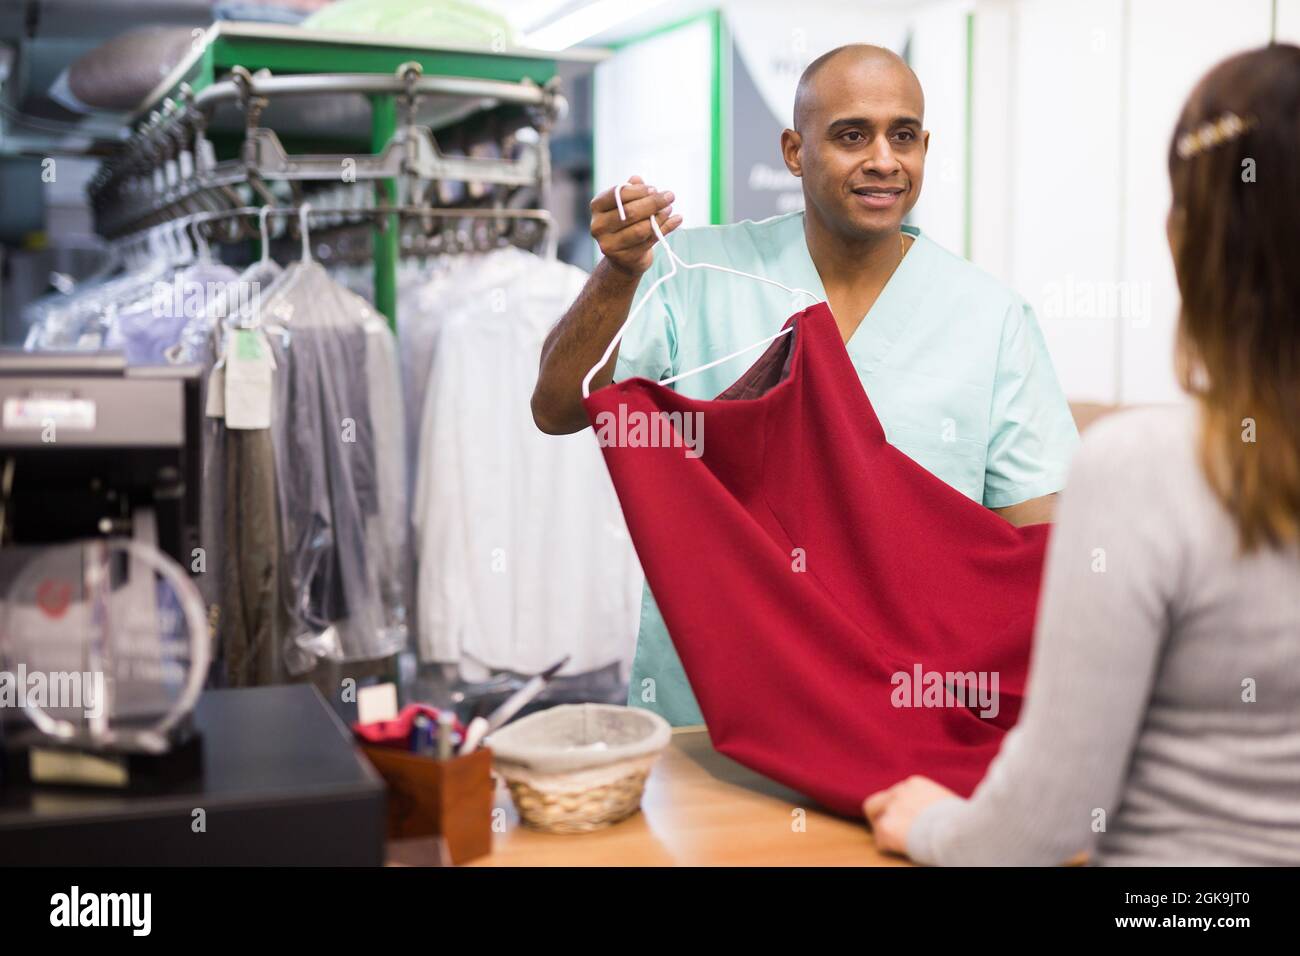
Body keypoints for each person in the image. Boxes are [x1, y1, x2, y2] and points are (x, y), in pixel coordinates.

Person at [531, 44, 1079, 727]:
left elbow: (1034, 543)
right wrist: (617, 274)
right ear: (795, 151)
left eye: (903, 135)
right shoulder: (697, 274)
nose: (884, 159)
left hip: (900, 711)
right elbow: (556, 408)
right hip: (711, 711)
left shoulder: (991, 317)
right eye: (853, 135)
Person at [864, 43, 1300, 866]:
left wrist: (925, 821)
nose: (884, 160)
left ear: (1184, 240)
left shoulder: (1144, 468)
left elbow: (1043, 824)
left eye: (906, 135)